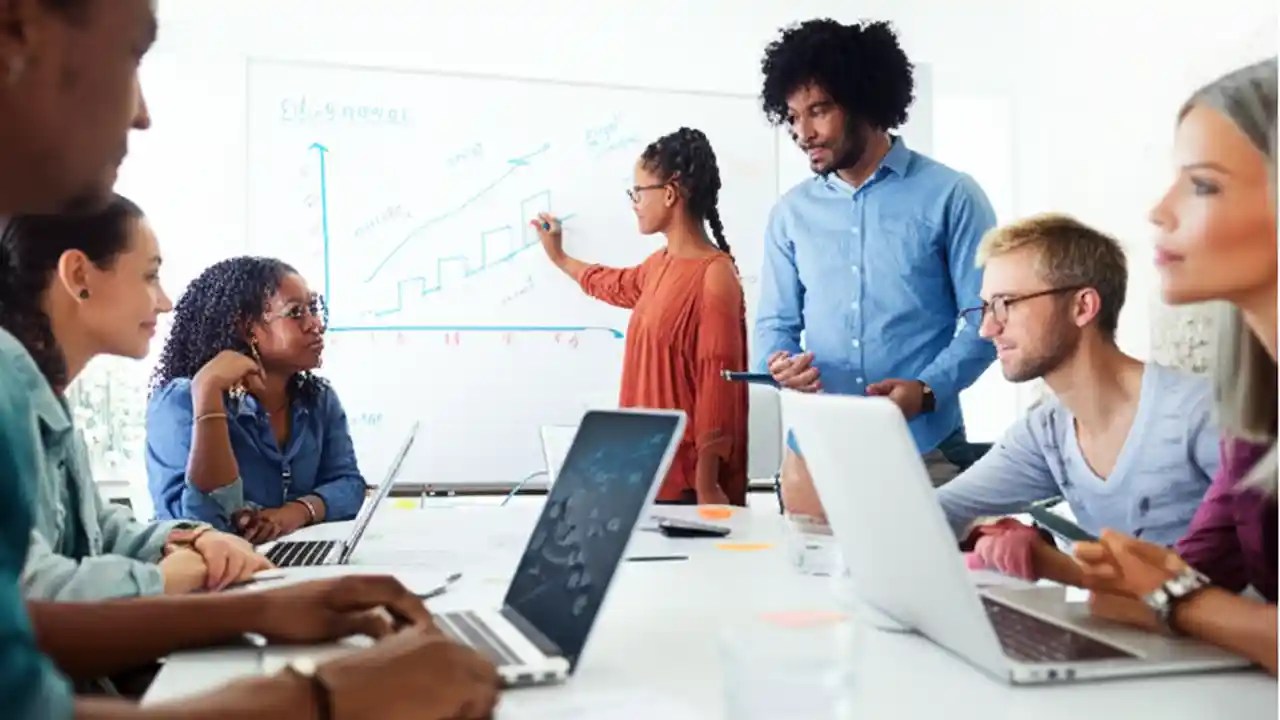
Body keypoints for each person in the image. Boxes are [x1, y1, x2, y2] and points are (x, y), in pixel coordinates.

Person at [0, 1, 498, 717]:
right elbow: (41, 611)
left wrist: (232, 571)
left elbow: (49, 606)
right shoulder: (32, 383)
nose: (140, 114)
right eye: (134, 53)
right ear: (19, 30)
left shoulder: (46, 399)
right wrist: (319, 696)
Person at [1074, 58, 1277, 676]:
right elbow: (1178, 583)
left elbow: (1184, 597)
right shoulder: (1254, 413)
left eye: (1204, 185)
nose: (1160, 210)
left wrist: (1176, 599)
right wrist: (1093, 571)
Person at [753, 19, 997, 517]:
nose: (804, 133)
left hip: (925, 450)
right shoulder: (791, 213)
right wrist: (778, 364)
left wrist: (928, 390)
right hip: (813, 456)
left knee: (929, 593)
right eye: (794, 116)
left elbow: (988, 320)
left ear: (864, 100)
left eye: (819, 111)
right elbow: (774, 324)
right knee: (808, 592)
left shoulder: (952, 196)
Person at [0, 195, 276, 600]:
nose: (164, 303)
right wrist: (167, 579)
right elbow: (24, 589)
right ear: (79, 276)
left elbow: (96, 528)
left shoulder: (47, 395)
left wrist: (188, 538)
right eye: (150, 276)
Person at [931, 213, 1219, 584]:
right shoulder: (1045, 432)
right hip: (1128, 633)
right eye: (985, 308)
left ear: (1082, 307)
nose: (988, 329)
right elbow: (938, 510)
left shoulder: (1198, 414)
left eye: (1005, 304)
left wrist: (1054, 564)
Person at [532, 127, 749, 506]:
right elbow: (612, 284)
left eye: (638, 191)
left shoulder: (715, 275)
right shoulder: (658, 266)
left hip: (686, 492)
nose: (634, 201)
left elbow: (719, 385)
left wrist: (707, 485)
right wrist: (561, 258)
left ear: (669, 192)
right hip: (642, 478)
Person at [147, 257, 365, 543]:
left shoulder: (318, 400)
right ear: (249, 328)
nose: (316, 325)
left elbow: (349, 486)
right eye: (297, 313)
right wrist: (209, 391)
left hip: (287, 560)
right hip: (207, 573)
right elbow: (198, 524)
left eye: (313, 309)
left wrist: (294, 513)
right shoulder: (181, 401)